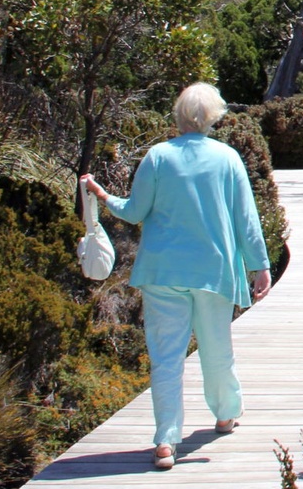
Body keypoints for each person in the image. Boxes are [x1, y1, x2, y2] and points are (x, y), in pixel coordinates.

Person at [80, 83, 272, 471]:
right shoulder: (228, 158)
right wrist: (260, 265)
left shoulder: (158, 157)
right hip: (214, 272)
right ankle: (225, 413)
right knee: (217, 349)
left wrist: (105, 199)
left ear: (179, 115)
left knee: (166, 358)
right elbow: (245, 219)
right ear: (214, 116)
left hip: (162, 272)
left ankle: (166, 442)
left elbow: (134, 212)